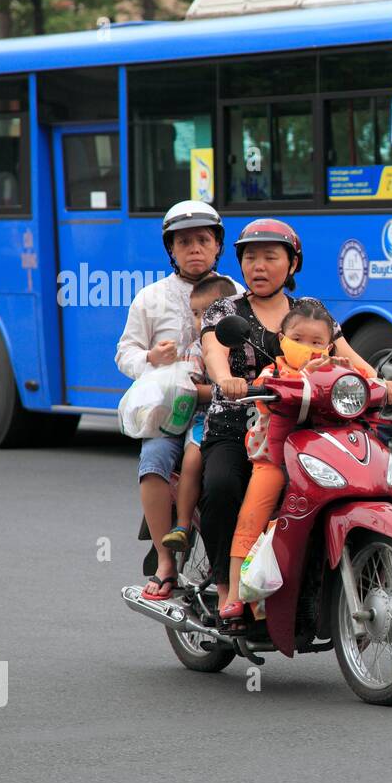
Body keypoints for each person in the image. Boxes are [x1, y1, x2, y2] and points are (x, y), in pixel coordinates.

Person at [198, 218, 392, 621]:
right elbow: (213, 351)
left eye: (270, 257)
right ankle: (228, 586)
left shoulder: (310, 311)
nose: (258, 265)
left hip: (311, 427)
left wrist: (383, 383)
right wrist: (227, 381)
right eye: (250, 257)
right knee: (223, 487)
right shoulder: (226, 309)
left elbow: (350, 358)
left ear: (292, 264)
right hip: (242, 426)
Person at [115, 200, 242, 601]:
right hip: (171, 416)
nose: (194, 249)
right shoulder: (150, 299)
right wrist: (152, 358)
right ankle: (166, 562)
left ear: (218, 245)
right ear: (170, 249)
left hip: (226, 409)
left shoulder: (238, 295)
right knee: (153, 461)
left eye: (203, 240)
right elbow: (124, 353)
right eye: (184, 242)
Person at [160, 274, 240, 553]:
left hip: (249, 418)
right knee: (193, 458)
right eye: (196, 314)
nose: (202, 320)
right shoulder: (197, 349)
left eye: (210, 312)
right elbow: (192, 389)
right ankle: (182, 525)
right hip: (206, 418)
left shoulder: (245, 342)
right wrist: (224, 388)